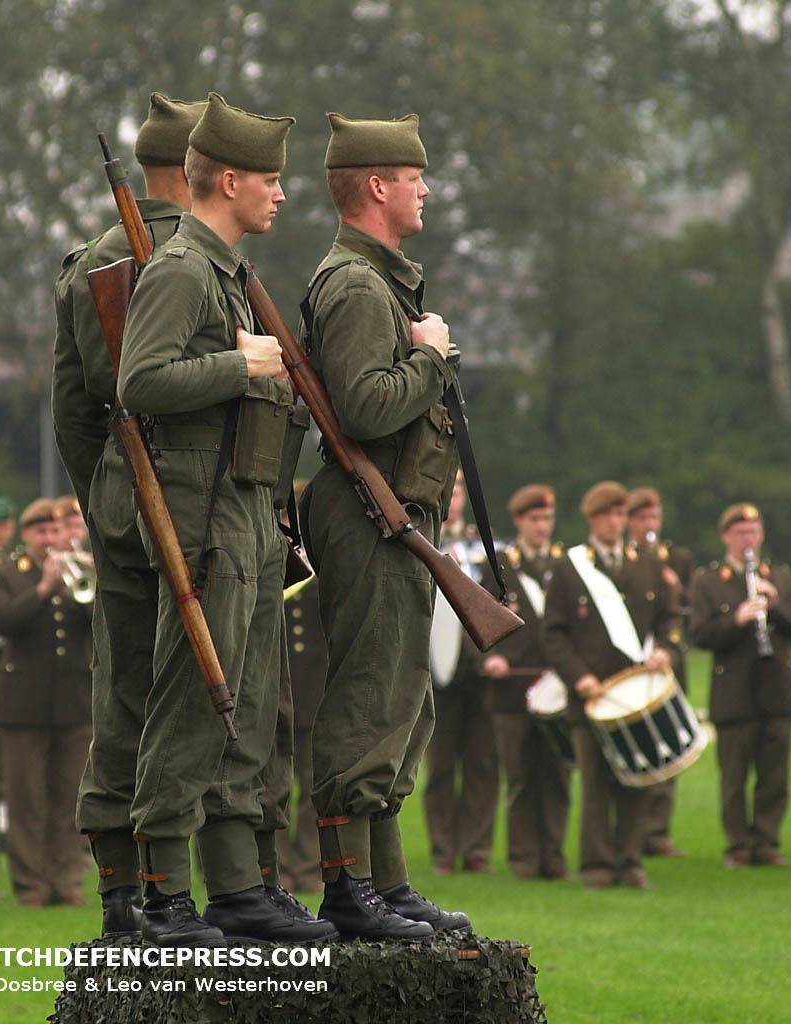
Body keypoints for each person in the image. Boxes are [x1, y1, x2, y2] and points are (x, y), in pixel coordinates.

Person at [118, 93, 334, 946]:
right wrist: (238, 366)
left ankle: (240, 889)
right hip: (201, 519)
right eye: (272, 181)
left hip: (241, 515)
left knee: (244, 712)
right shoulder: (180, 269)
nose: (282, 195)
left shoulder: (227, 275)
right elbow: (142, 384)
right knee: (191, 705)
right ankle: (165, 897)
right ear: (230, 180)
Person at [298, 111, 468, 940]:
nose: (425, 189)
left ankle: (386, 884)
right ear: (377, 186)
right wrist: (432, 357)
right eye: (414, 178)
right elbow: (364, 408)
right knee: (369, 700)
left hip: (395, 513)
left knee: (403, 703)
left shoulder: (382, 279)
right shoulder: (358, 286)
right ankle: (348, 889)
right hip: (370, 514)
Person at [53, 93, 204, 938]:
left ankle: (120, 895)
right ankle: (171, 890)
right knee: (190, 697)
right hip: (186, 506)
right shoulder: (194, 256)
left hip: (120, 500)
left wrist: (106, 498)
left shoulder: (87, 258)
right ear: (196, 171)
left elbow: (71, 410)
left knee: (122, 694)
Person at [543, 481, 681, 889]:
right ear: (593, 519)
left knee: (637, 782)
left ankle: (631, 862)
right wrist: (579, 677)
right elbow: (553, 634)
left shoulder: (647, 562)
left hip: (637, 696)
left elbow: (670, 618)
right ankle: (597, 866)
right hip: (593, 697)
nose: (616, 523)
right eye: (608, 515)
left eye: (621, 515)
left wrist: (667, 651)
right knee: (596, 785)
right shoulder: (571, 569)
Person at [0, 498, 93, 905]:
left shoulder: (79, 568)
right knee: (26, 802)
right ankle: (30, 886)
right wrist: (44, 589)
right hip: (22, 706)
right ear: (26, 535)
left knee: (70, 801)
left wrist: (85, 581)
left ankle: (66, 883)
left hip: (74, 704)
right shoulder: (7, 573)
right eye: (41, 532)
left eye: (55, 532)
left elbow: (99, 622)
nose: (49, 539)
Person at [689, 503, 791, 868]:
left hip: (777, 688)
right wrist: (736, 619)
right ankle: (738, 845)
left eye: (753, 531)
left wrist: (776, 603)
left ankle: (766, 842)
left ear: (762, 534)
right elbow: (700, 635)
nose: (747, 539)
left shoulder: (779, 575)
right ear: (726, 536)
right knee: (734, 778)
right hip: (734, 693)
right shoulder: (708, 580)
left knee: (775, 775)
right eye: (740, 532)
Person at [483, 484, 570, 880]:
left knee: (557, 778)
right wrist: (492, 657)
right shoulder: (499, 564)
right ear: (519, 520)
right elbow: (478, 621)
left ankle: (554, 858)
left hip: (557, 688)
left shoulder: (565, 564)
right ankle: (522, 860)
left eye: (547, 518)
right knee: (519, 778)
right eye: (535, 519)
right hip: (511, 692)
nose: (542, 526)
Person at [423, 472, 499, 875]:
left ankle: (476, 849)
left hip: (482, 674)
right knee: (441, 768)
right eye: (446, 490)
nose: (451, 499)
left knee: (482, 766)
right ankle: (442, 851)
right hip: (438, 673)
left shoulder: (486, 549)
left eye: (457, 492)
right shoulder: (424, 544)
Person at [625, 487, 692, 858]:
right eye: (643, 518)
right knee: (637, 745)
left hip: (666, 664)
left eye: (655, 517)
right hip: (632, 663)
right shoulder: (625, 559)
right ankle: (636, 829)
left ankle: (658, 832)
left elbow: (688, 610)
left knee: (668, 744)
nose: (650, 525)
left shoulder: (677, 558)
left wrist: (678, 590)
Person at [276, 481, 326, 894]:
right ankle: (276, 871)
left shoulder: (322, 563)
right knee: (274, 787)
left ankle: (309, 869)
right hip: (276, 689)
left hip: (315, 692)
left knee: (313, 792)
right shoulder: (270, 559)